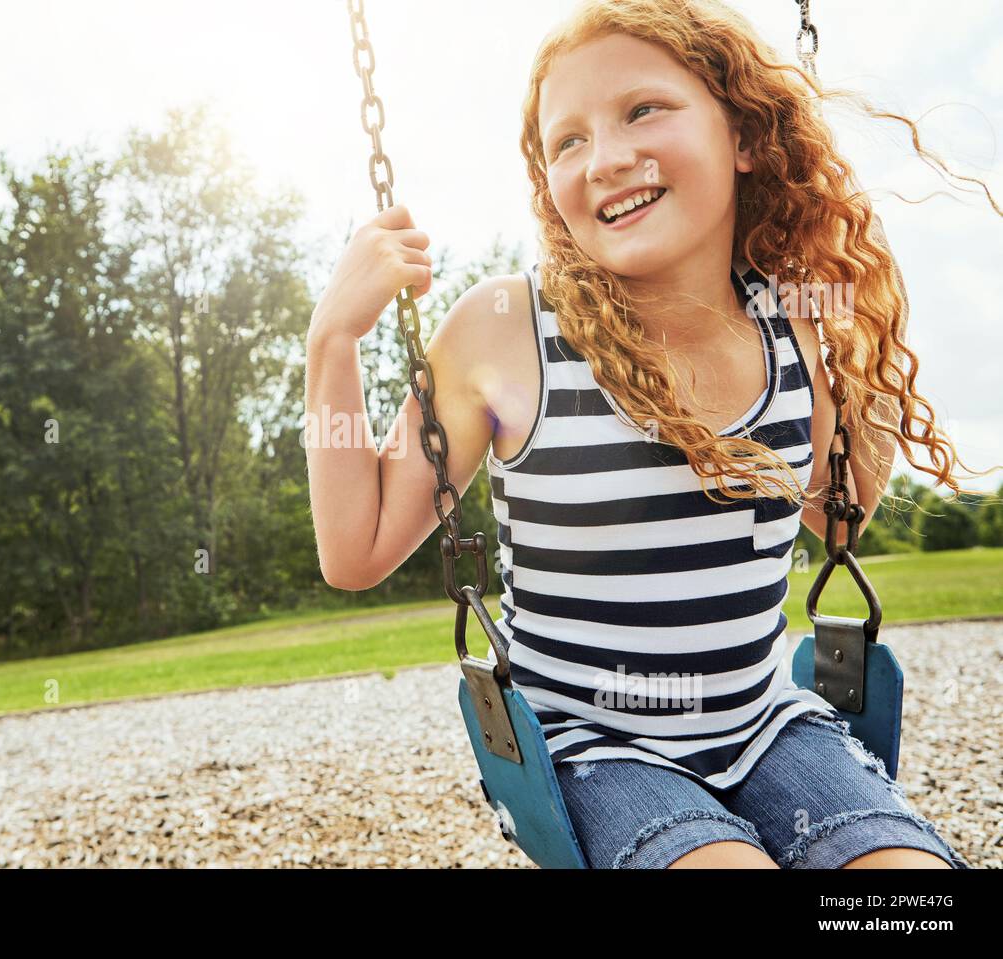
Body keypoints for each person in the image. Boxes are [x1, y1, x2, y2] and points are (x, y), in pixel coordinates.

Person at [305, 0, 999, 868]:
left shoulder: (795, 319)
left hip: (767, 726)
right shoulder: (504, 329)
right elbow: (356, 549)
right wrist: (332, 341)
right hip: (590, 750)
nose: (606, 159)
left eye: (642, 110)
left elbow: (844, 511)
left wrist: (860, 306)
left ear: (744, 136)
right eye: (568, 141)